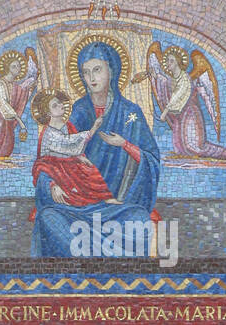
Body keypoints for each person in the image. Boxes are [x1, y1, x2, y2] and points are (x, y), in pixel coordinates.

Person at [31, 41, 161, 258]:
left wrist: (125, 145)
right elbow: (47, 160)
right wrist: (52, 184)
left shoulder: (131, 112)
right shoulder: (74, 113)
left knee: (138, 217)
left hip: (114, 207)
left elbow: (151, 159)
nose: (91, 77)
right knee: (48, 218)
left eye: (97, 70)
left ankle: (89, 252)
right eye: (86, 72)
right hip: (77, 206)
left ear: (111, 71)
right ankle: (106, 254)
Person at [29, 89, 119, 208]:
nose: (60, 105)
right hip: (55, 168)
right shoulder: (49, 133)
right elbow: (67, 143)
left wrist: (79, 157)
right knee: (72, 188)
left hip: (70, 162)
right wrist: (93, 129)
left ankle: (105, 198)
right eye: (55, 105)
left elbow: (73, 148)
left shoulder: (67, 126)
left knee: (89, 170)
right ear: (48, 113)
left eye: (59, 102)